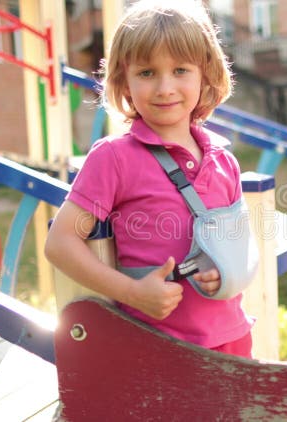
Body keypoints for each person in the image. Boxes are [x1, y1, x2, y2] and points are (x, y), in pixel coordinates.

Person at [45, 0, 253, 358]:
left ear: (205, 73)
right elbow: (59, 244)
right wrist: (132, 292)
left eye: (180, 70)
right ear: (124, 81)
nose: (164, 87)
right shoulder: (113, 158)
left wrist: (225, 276)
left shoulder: (224, 160)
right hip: (157, 347)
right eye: (146, 73)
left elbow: (241, 247)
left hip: (233, 341)